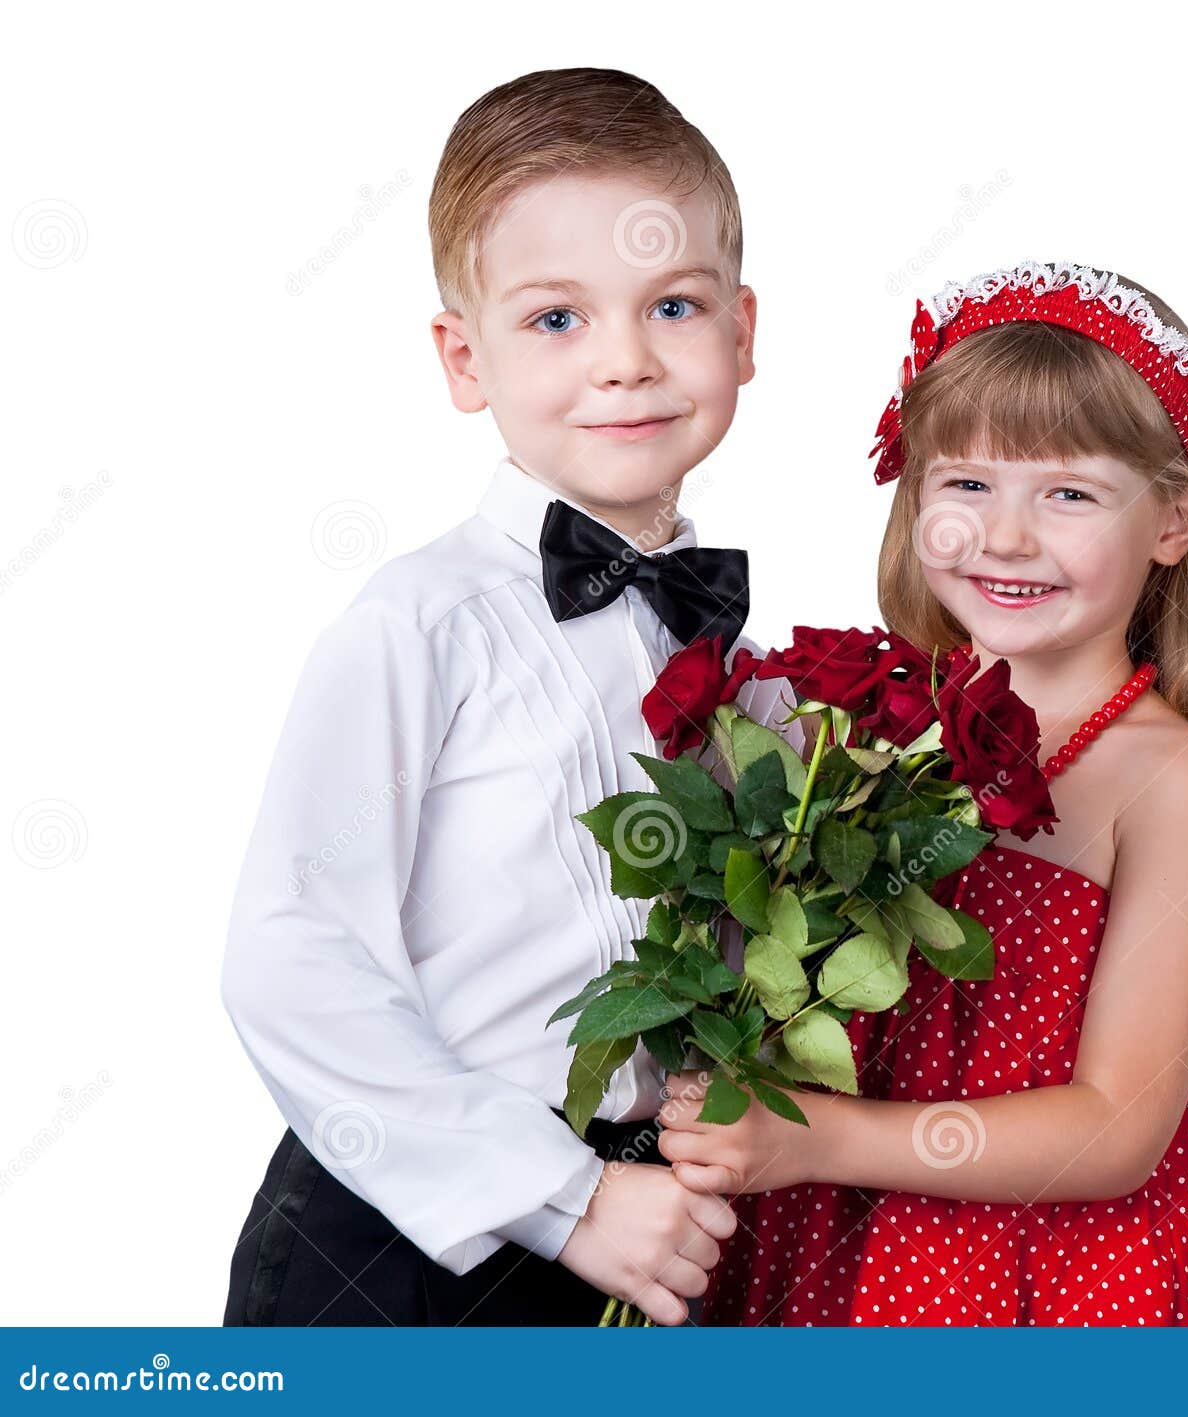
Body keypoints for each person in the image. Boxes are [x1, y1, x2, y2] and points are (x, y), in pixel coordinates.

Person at [221, 67, 794, 1327]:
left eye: (675, 305)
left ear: (743, 333)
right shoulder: (415, 625)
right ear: (461, 355)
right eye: (556, 319)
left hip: (659, 1224)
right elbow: (291, 956)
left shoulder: (748, 671)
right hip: (413, 1239)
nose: (627, 363)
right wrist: (568, 1196)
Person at [659, 261, 1188, 1326]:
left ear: (1174, 519)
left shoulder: (1173, 778)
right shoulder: (866, 731)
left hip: (1034, 1266)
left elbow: (1119, 1123)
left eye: (1069, 493)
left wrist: (827, 1139)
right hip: (823, 1231)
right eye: (968, 483)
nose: (1005, 535)